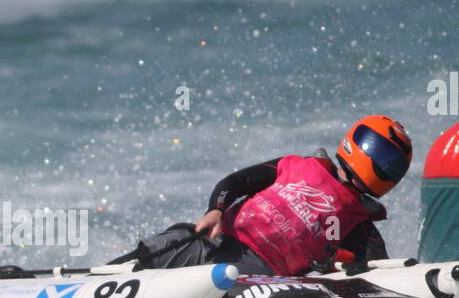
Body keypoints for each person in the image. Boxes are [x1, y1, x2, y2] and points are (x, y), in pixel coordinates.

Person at [120, 115, 413, 276]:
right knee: (169, 242)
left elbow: (375, 269)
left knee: (211, 288)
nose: (386, 169)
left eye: (393, 166)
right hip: (219, 240)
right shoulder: (296, 165)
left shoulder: (358, 220)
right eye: (384, 158)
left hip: (259, 275)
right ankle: (97, 280)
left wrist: (335, 265)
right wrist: (216, 209)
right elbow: (237, 181)